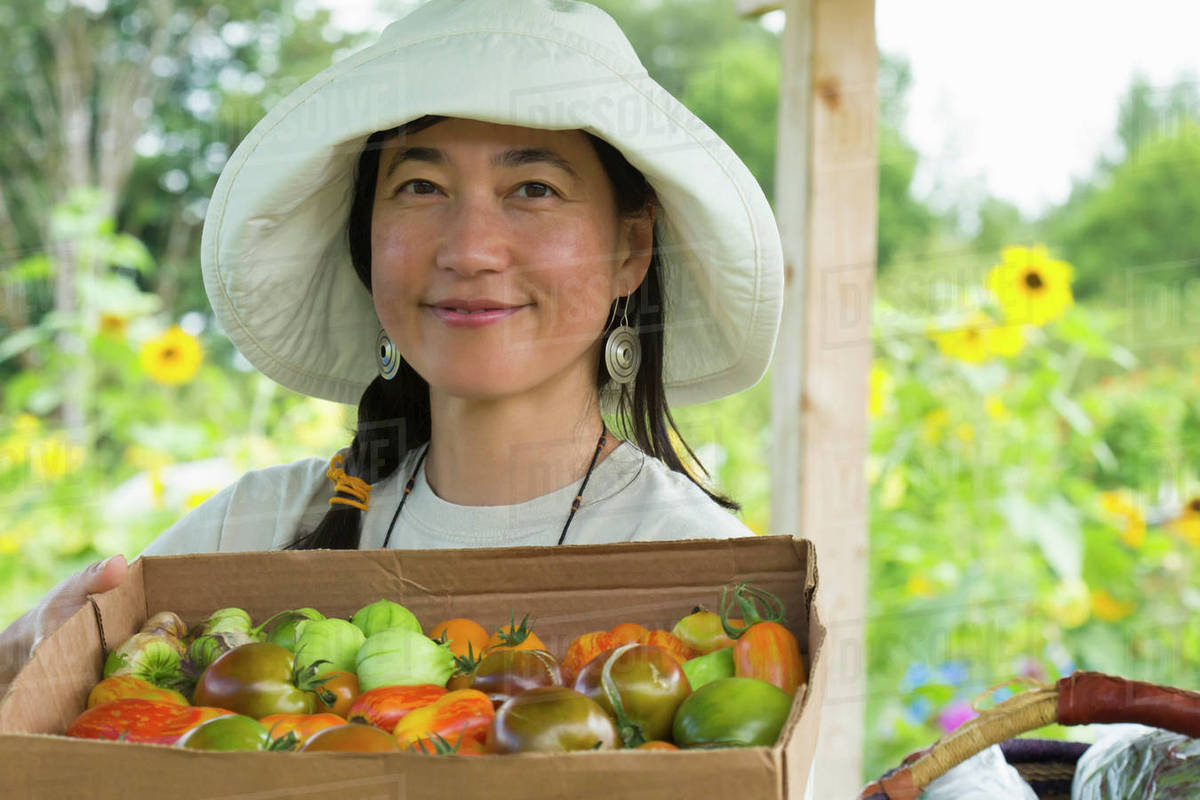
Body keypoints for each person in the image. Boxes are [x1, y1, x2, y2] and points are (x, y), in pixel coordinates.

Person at [0, 0, 783, 695]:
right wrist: (24, 659)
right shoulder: (254, 528)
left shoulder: (704, 572)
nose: (470, 248)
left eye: (533, 189)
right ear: (366, 239)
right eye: (420, 187)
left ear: (631, 247)